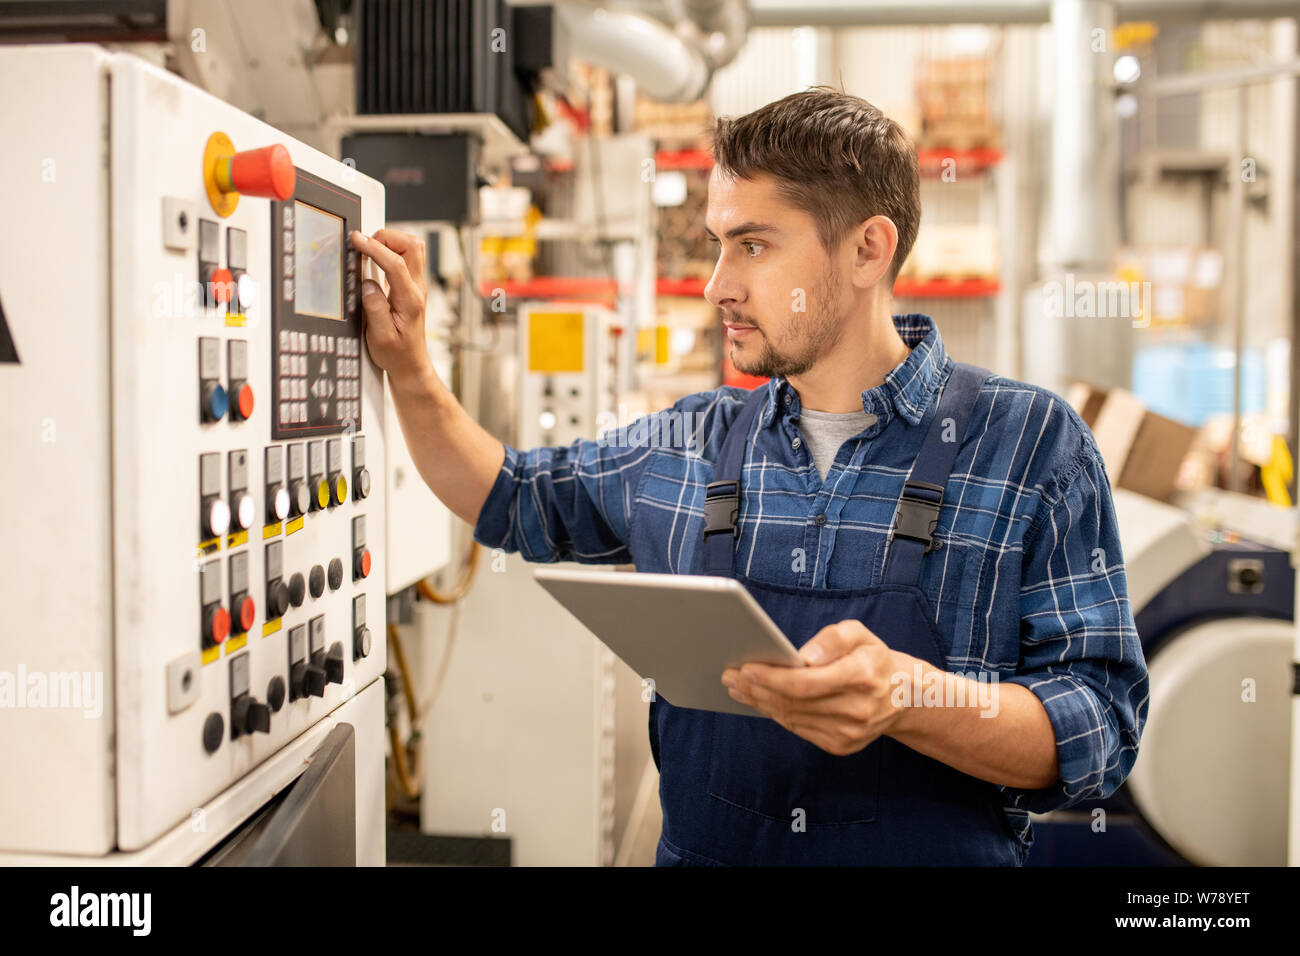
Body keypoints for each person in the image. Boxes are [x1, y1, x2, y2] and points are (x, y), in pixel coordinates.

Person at [348, 87, 1147, 867]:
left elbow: (1101, 728)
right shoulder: (688, 442)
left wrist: (914, 698)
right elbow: (512, 496)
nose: (716, 284)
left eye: (754, 246)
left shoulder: (1030, 445)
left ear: (868, 249)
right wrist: (411, 368)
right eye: (716, 243)